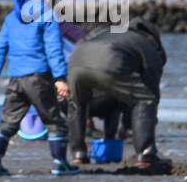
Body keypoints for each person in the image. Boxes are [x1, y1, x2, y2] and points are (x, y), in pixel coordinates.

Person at [0, 0, 80, 177]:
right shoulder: (47, 15)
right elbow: (54, 49)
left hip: (16, 78)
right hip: (38, 77)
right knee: (56, 121)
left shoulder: (12, 17)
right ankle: (60, 162)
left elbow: (0, 47)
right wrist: (60, 78)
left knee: (8, 122)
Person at [68, 19, 168, 169]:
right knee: (146, 99)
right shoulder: (147, 45)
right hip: (110, 60)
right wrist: (128, 127)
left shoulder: (110, 33)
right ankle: (146, 155)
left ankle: (78, 154)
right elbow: (149, 92)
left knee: (78, 103)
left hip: (76, 60)